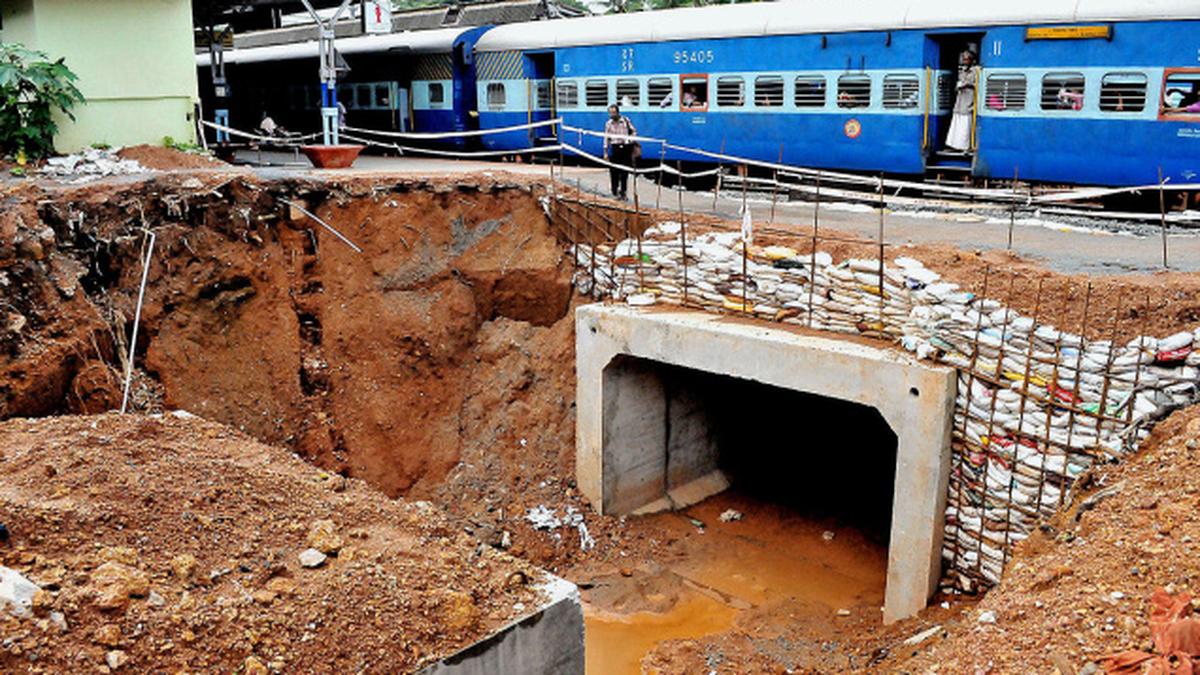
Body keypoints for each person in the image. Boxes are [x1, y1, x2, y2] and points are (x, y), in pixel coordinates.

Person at [945, 48, 978, 153]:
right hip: (960, 101)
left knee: (965, 124)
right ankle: (954, 146)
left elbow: (971, 82)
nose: (964, 61)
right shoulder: (963, 71)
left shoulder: (976, 71)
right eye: (963, 59)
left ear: (972, 60)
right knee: (957, 123)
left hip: (968, 101)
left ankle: (964, 146)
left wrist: (963, 84)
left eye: (966, 59)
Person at [603, 104, 637, 200]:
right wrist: (605, 152)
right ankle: (614, 190)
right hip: (615, 148)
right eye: (610, 113)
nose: (612, 115)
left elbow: (634, 131)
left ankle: (623, 192)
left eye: (614, 113)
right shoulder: (608, 124)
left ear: (618, 112)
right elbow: (606, 138)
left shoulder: (625, 121)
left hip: (625, 148)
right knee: (614, 171)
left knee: (624, 172)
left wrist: (631, 140)